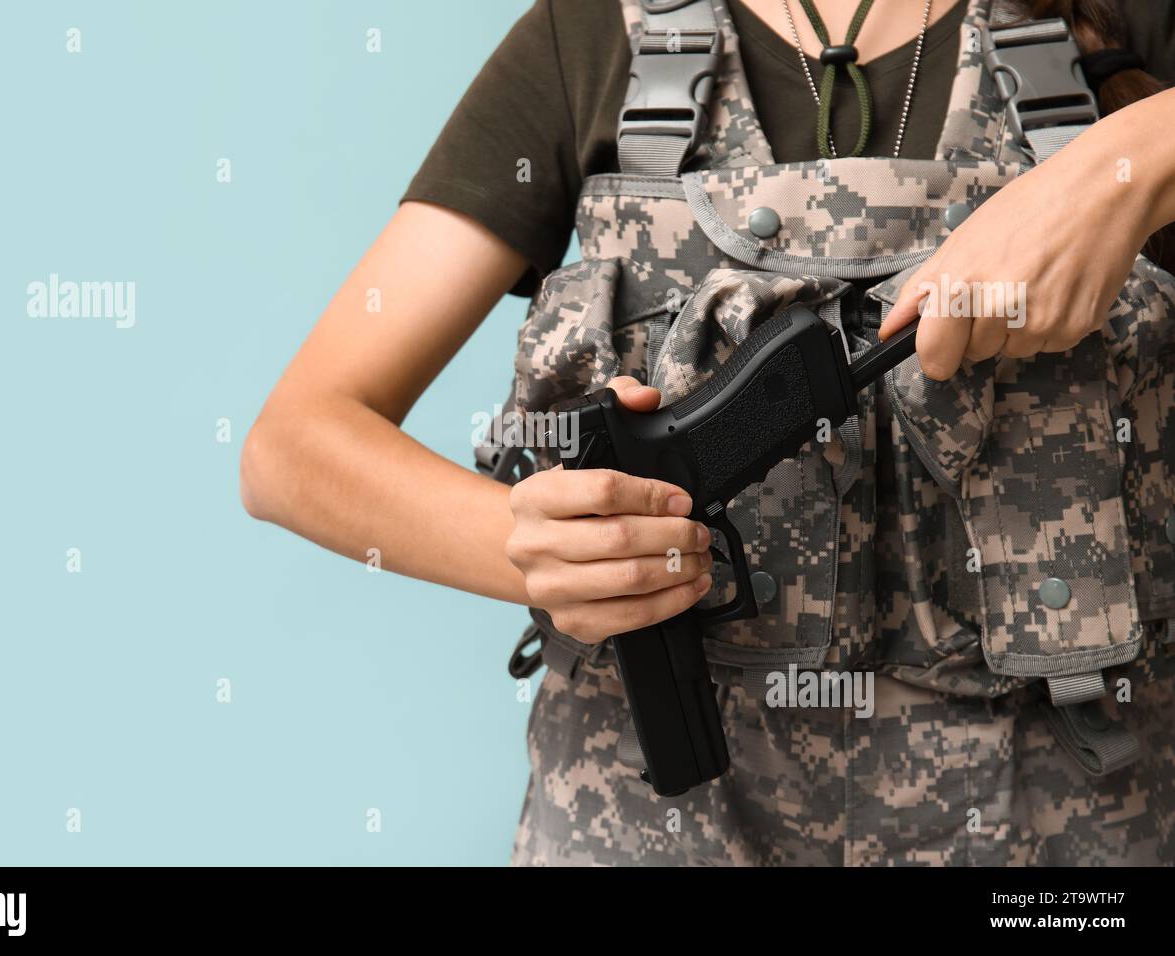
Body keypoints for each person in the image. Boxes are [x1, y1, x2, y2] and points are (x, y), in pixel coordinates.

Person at [241, 0, 1175, 865]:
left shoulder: (1117, 21)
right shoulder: (596, 34)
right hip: (661, 821)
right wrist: (537, 551)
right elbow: (293, 447)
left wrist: (1130, 154)